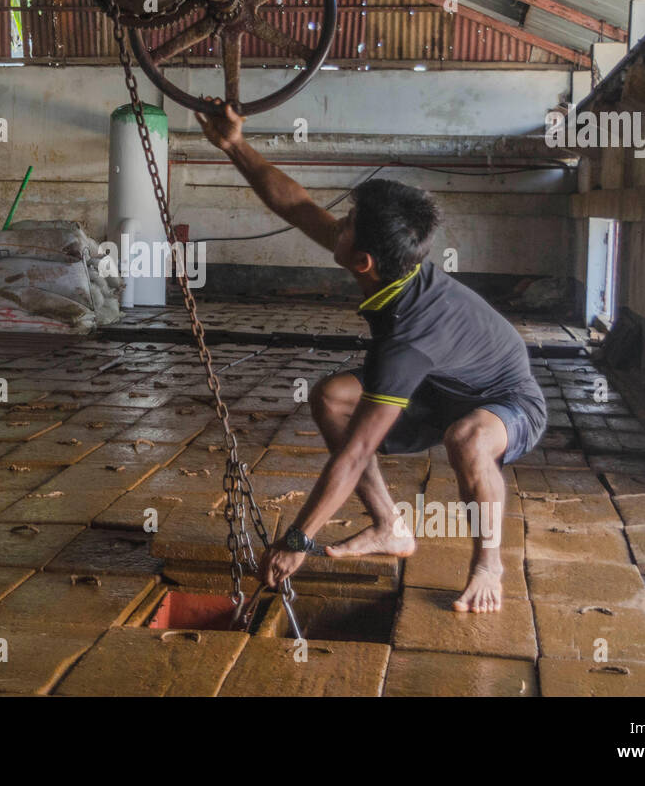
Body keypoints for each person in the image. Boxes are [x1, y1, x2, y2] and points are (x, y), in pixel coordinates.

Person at [195, 101, 546, 612]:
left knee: (467, 438)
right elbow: (297, 207)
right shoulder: (390, 262)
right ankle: (389, 525)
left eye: (347, 223)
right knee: (333, 398)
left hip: (507, 402)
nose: (335, 224)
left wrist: (299, 540)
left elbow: (356, 453)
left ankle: (489, 564)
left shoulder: (406, 338)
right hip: (438, 386)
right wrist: (233, 145)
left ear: (362, 262)